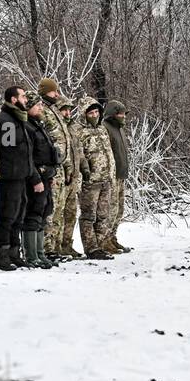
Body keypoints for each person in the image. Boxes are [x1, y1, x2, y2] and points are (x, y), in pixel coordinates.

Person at [0, 86, 40, 272]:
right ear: (13, 99)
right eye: (23, 96)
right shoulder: (6, 122)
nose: (26, 99)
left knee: (18, 216)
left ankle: (14, 252)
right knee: (7, 215)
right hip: (9, 178)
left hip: (21, 177)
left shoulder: (19, 120)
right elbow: (9, 152)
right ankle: (2, 255)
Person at [35, 77, 76, 259]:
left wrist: (68, 166)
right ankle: (47, 247)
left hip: (61, 167)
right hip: (50, 167)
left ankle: (56, 247)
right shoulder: (42, 110)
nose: (57, 94)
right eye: (54, 91)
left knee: (58, 210)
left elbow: (64, 140)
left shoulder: (54, 110)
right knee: (50, 211)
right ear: (45, 92)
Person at [73, 98, 115, 260]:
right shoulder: (79, 131)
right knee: (88, 216)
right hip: (90, 182)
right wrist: (85, 174)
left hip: (105, 179)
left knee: (103, 214)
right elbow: (79, 155)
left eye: (97, 112)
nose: (94, 115)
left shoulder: (102, 130)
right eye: (91, 113)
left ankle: (101, 244)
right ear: (84, 114)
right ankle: (91, 248)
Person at [22, 92, 61, 268]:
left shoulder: (39, 125)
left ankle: (39, 253)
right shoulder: (27, 127)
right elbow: (28, 157)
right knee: (33, 213)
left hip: (46, 176)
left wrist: (50, 173)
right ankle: (31, 255)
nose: (40, 107)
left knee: (44, 211)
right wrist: (36, 177)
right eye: (37, 105)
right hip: (35, 177)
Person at [101, 99, 132, 253]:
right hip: (111, 177)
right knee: (110, 210)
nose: (123, 116)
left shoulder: (119, 129)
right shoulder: (106, 128)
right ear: (113, 114)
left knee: (119, 209)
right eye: (120, 113)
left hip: (121, 175)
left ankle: (112, 238)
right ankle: (105, 240)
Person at [57, 97, 82, 257]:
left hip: (74, 175)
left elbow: (78, 150)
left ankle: (67, 244)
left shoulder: (73, 127)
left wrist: (83, 167)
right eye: (64, 109)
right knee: (59, 213)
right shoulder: (57, 128)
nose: (67, 112)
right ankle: (56, 245)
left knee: (71, 213)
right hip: (62, 176)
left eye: (69, 109)